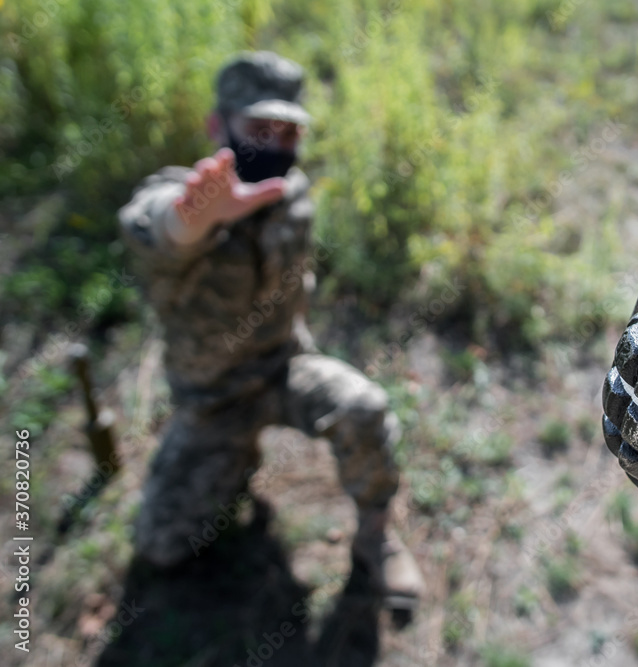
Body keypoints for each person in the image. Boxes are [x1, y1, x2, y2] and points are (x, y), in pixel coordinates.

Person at [117, 51, 424, 612]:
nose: (275, 142)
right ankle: (231, 465)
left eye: (287, 130)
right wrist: (196, 216)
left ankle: (375, 537)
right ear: (218, 126)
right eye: (258, 127)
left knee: (364, 408)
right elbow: (158, 223)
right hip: (213, 401)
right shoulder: (190, 198)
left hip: (283, 368)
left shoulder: (293, 195)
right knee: (160, 547)